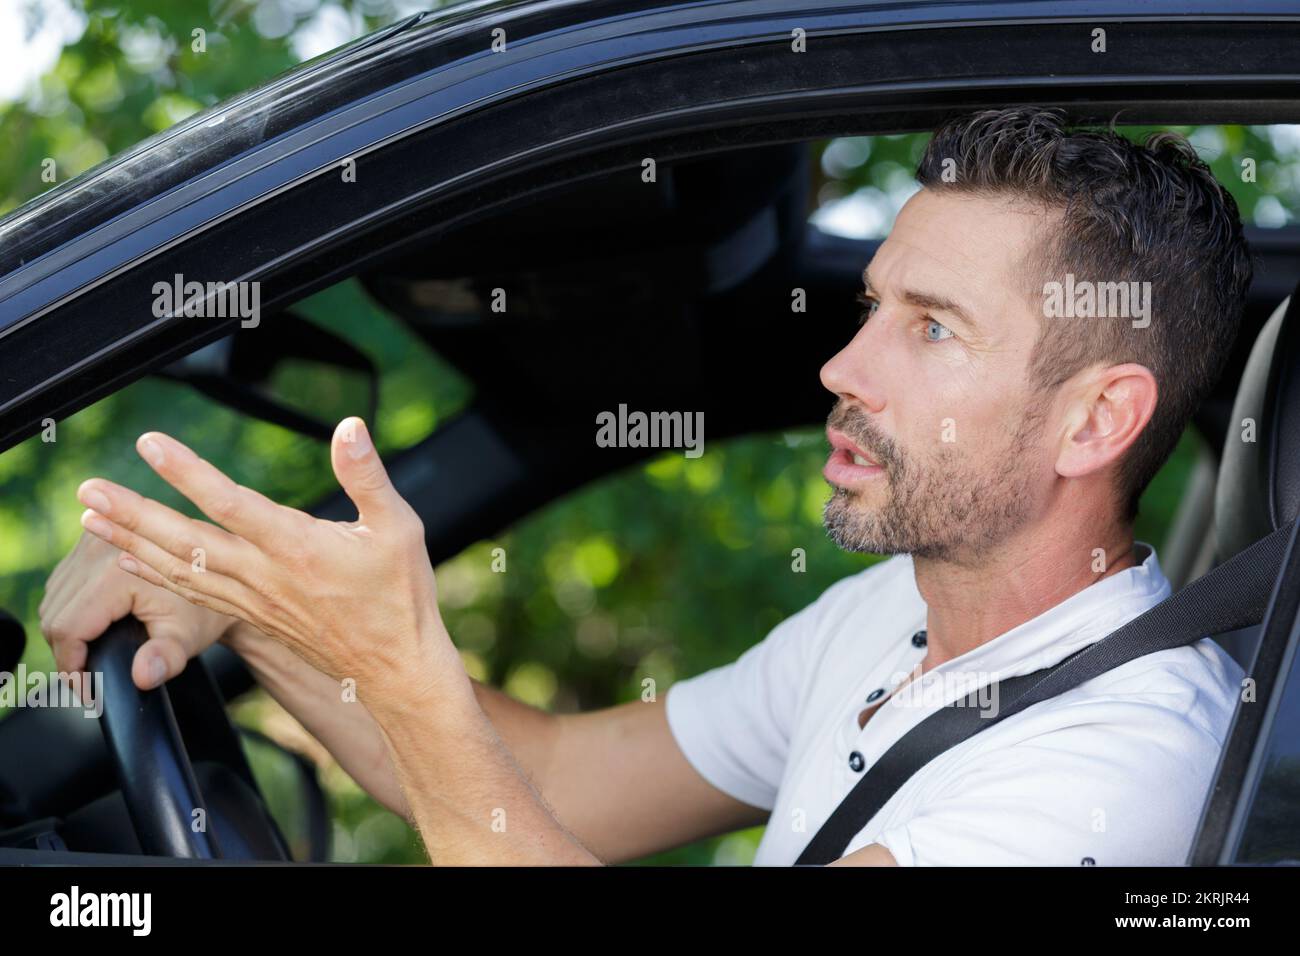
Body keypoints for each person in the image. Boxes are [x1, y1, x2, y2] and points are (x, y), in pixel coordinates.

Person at [39, 106, 1253, 865]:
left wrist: (403, 669)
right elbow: (557, 785)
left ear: (1096, 419)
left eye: (932, 328)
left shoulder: (1121, 763)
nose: (841, 367)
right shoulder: (894, 613)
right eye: (873, 306)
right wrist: (254, 605)